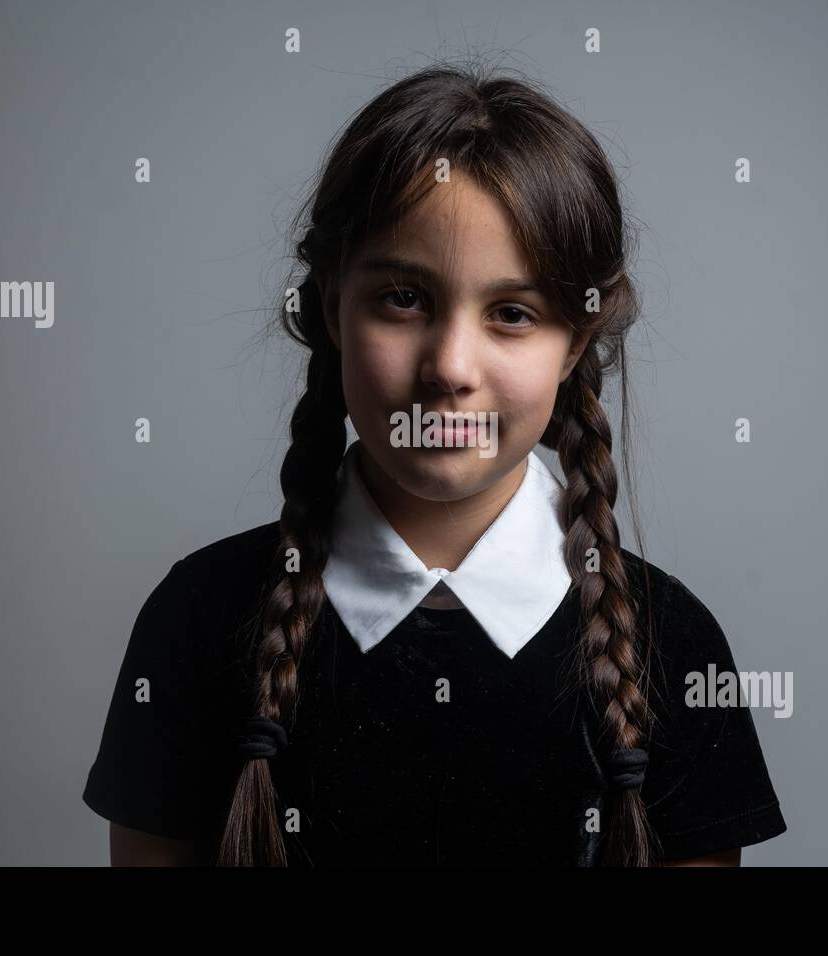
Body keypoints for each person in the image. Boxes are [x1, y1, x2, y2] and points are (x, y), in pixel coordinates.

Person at [83, 61, 787, 866]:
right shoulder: (198, 622)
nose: (451, 365)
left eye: (512, 314)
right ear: (330, 309)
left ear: (577, 343)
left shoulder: (674, 644)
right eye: (403, 300)